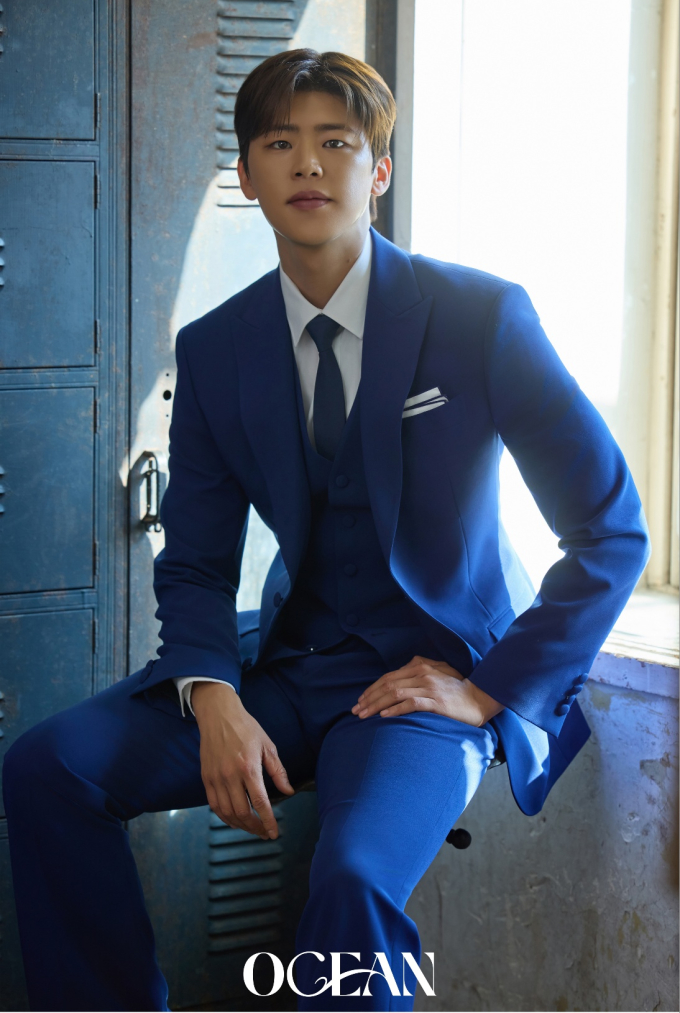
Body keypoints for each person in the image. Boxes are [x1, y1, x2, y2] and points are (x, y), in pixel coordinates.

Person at [3, 49, 650, 1012]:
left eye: (335, 142)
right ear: (247, 174)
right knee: (47, 767)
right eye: (280, 143)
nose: (307, 163)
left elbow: (612, 529)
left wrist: (487, 688)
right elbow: (197, 561)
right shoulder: (215, 348)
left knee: (351, 880)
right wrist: (214, 696)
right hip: (286, 665)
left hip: (428, 680)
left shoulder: (480, 316)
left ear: (377, 170)